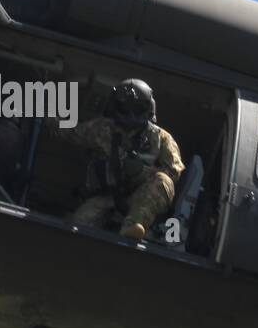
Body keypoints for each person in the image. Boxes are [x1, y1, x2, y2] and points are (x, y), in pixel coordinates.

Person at [56, 79, 185, 241]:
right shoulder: (103, 128)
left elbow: (173, 173)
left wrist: (143, 171)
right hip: (105, 196)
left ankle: (133, 225)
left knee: (163, 181)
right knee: (76, 227)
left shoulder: (161, 138)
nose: (131, 115)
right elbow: (72, 133)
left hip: (141, 198)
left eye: (137, 109)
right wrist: (48, 114)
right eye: (126, 109)